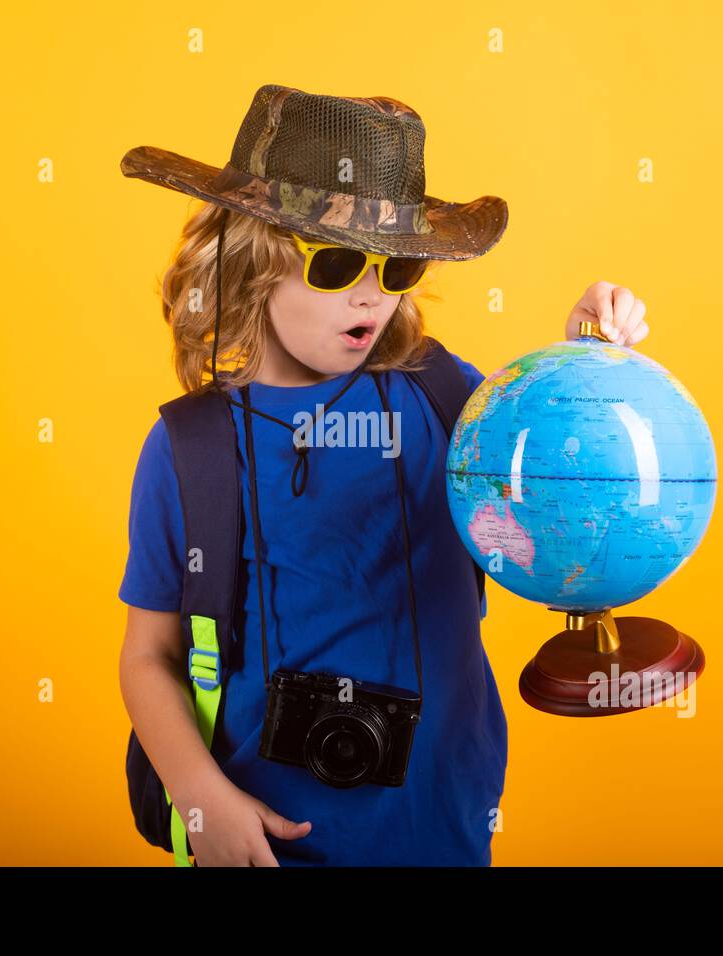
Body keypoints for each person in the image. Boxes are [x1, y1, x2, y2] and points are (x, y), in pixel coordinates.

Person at [116, 84, 650, 866]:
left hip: (444, 821)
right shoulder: (189, 450)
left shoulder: (443, 396)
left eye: (395, 267)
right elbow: (148, 655)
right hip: (263, 831)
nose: (370, 292)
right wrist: (201, 800)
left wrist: (583, 354)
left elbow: (547, 458)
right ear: (251, 260)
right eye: (335, 264)